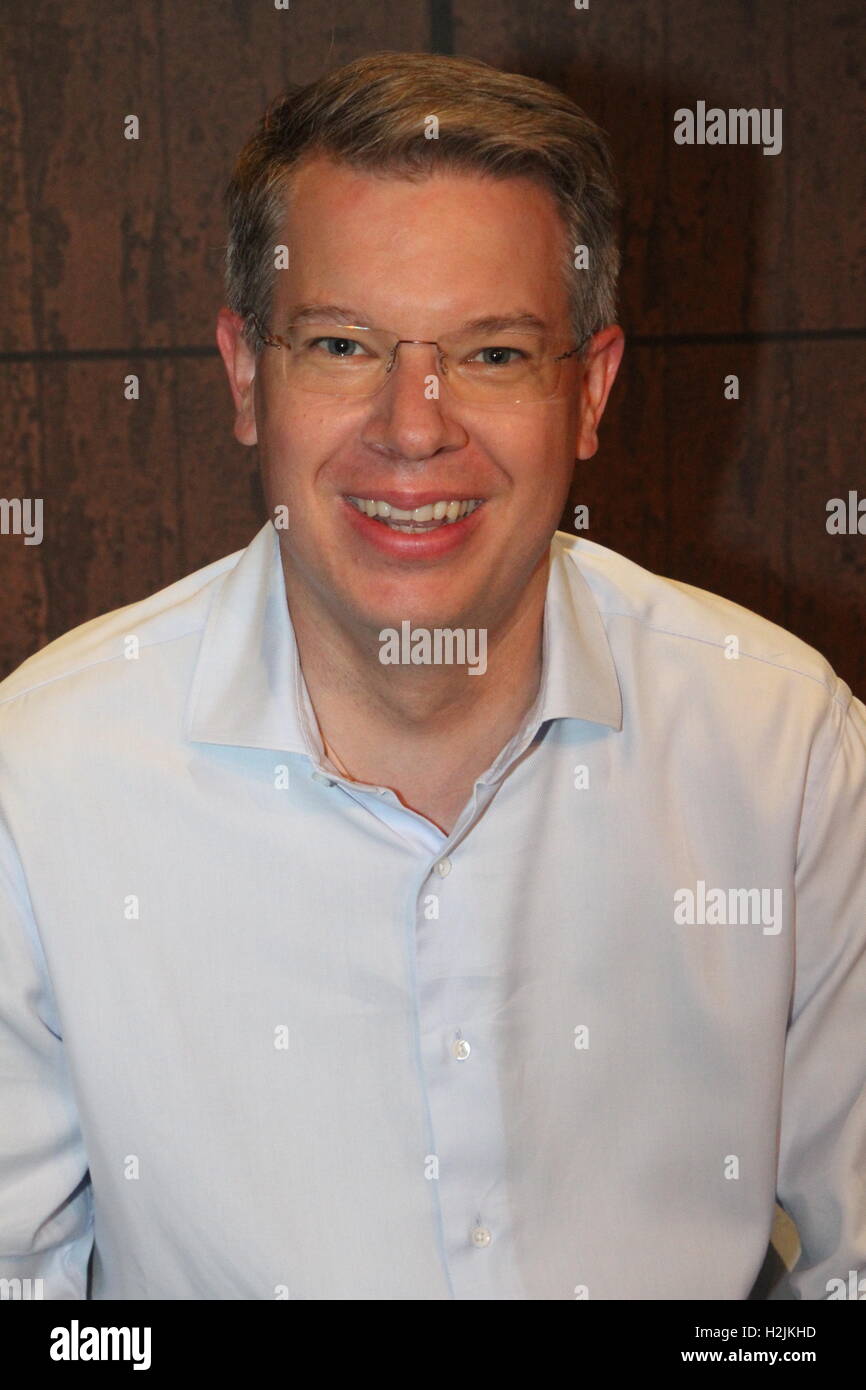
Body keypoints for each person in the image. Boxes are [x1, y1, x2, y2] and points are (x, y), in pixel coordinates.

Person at [1, 51, 863, 1302]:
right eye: (344, 343)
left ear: (590, 390)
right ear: (248, 375)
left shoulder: (785, 750)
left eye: (496, 354)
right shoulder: (39, 785)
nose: (414, 428)